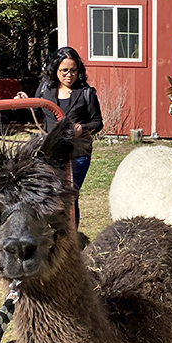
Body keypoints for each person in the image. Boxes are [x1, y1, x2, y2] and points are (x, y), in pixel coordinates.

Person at [35, 46, 103, 226]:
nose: (69, 75)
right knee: (49, 194)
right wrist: (21, 101)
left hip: (77, 154)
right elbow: (34, 110)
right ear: (55, 70)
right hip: (50, 152)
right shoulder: (45, 89)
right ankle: (52, 233)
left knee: (69, 196)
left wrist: (83, 128)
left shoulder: (86, 92)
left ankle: (71, 236)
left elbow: (98, 123)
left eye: (73, 70)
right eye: (64, 70)